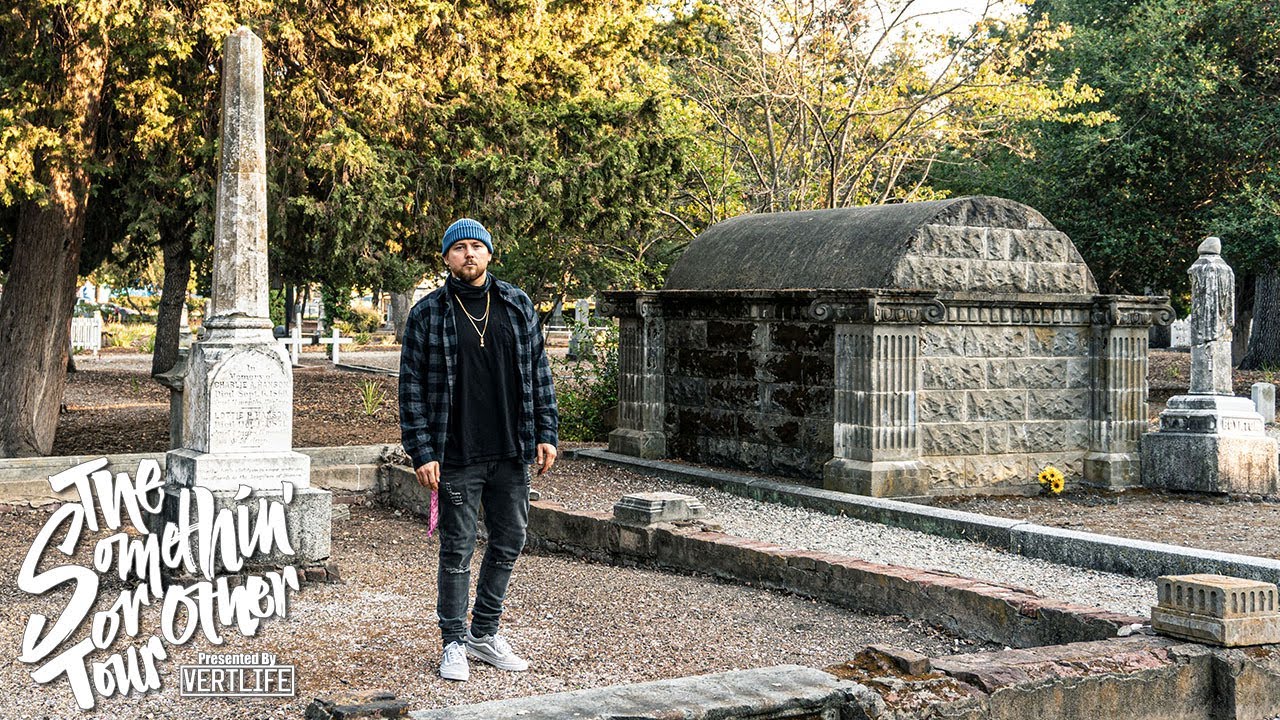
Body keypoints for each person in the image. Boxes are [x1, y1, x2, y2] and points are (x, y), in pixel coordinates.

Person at [398, 217, 559, 682]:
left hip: (510, 450)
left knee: (510, 540)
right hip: (455, 455)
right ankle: (453, 641)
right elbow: (411, 389)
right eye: (459, 248)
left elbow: (539, 372)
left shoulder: (516, 304)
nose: (468, 253)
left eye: (476, 246)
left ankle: (483, 633)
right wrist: (421, 451)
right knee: (457, 549)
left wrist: (546, 432)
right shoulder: (428, 313)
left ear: (489, 253)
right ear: (446, 258)